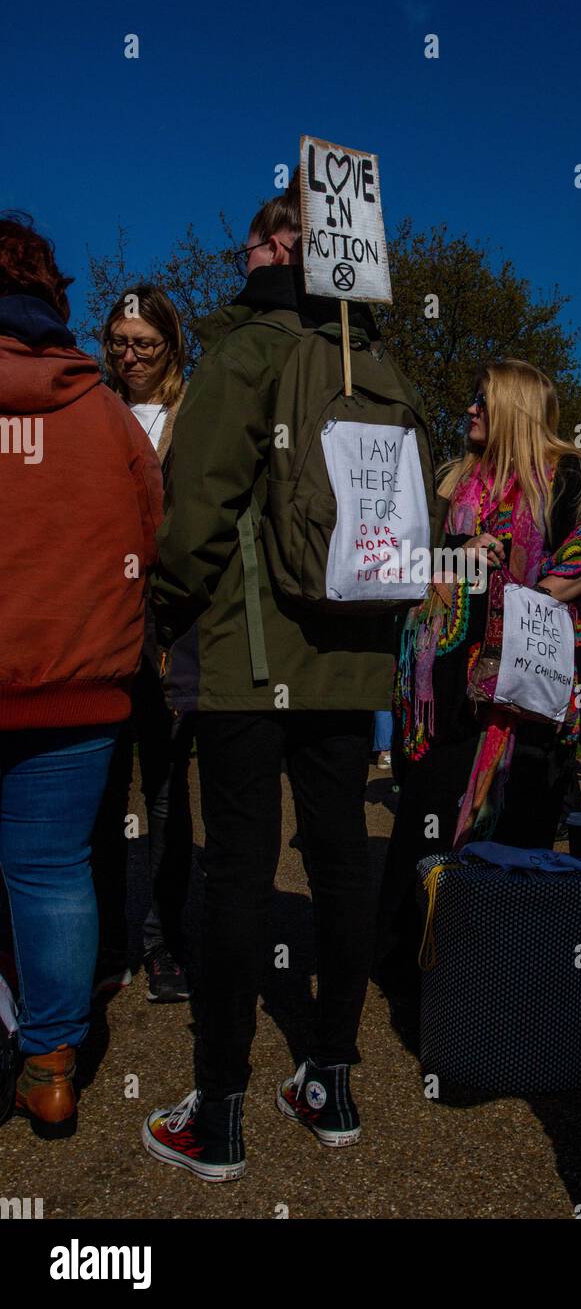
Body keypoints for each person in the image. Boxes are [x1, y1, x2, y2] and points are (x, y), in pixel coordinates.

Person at [142, 174, 415, 1180]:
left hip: (252, 657)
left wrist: (164, 605)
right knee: (341, 859)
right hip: (351, 654)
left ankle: (217, 1110)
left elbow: (197, 512)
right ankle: (330, 1079)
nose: (246, 257)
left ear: (283, 250)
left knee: (239, 868)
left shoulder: (246, 351)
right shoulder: (374, 361)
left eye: (256, 242)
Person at [376, 360, 581, 1008]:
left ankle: (499, 974)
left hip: (529, 690)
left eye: (483, 401)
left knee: (518, 823)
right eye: (472, 399)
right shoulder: (451, 481)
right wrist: (462, 556)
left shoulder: (570, 475)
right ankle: (414, 965)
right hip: (447, 693)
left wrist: (517, 605)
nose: (471, 410)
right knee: (428, 817)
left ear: (515, 405)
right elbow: (406, 562)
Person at [0, 213, 162, 1130]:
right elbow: (151, 531)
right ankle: (52, 1066)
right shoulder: (107, 415)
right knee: (55, 869)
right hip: (78, 681)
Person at [90, 285, 195, 1003]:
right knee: (100, 790)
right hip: (99, 622)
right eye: (119, 343)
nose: (130, 357)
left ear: (171, 346)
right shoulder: (92, 411)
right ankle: (104, 945)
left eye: (144, 345)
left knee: (164, 791)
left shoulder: (193, 417)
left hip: (169, 626)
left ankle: (163, 942)